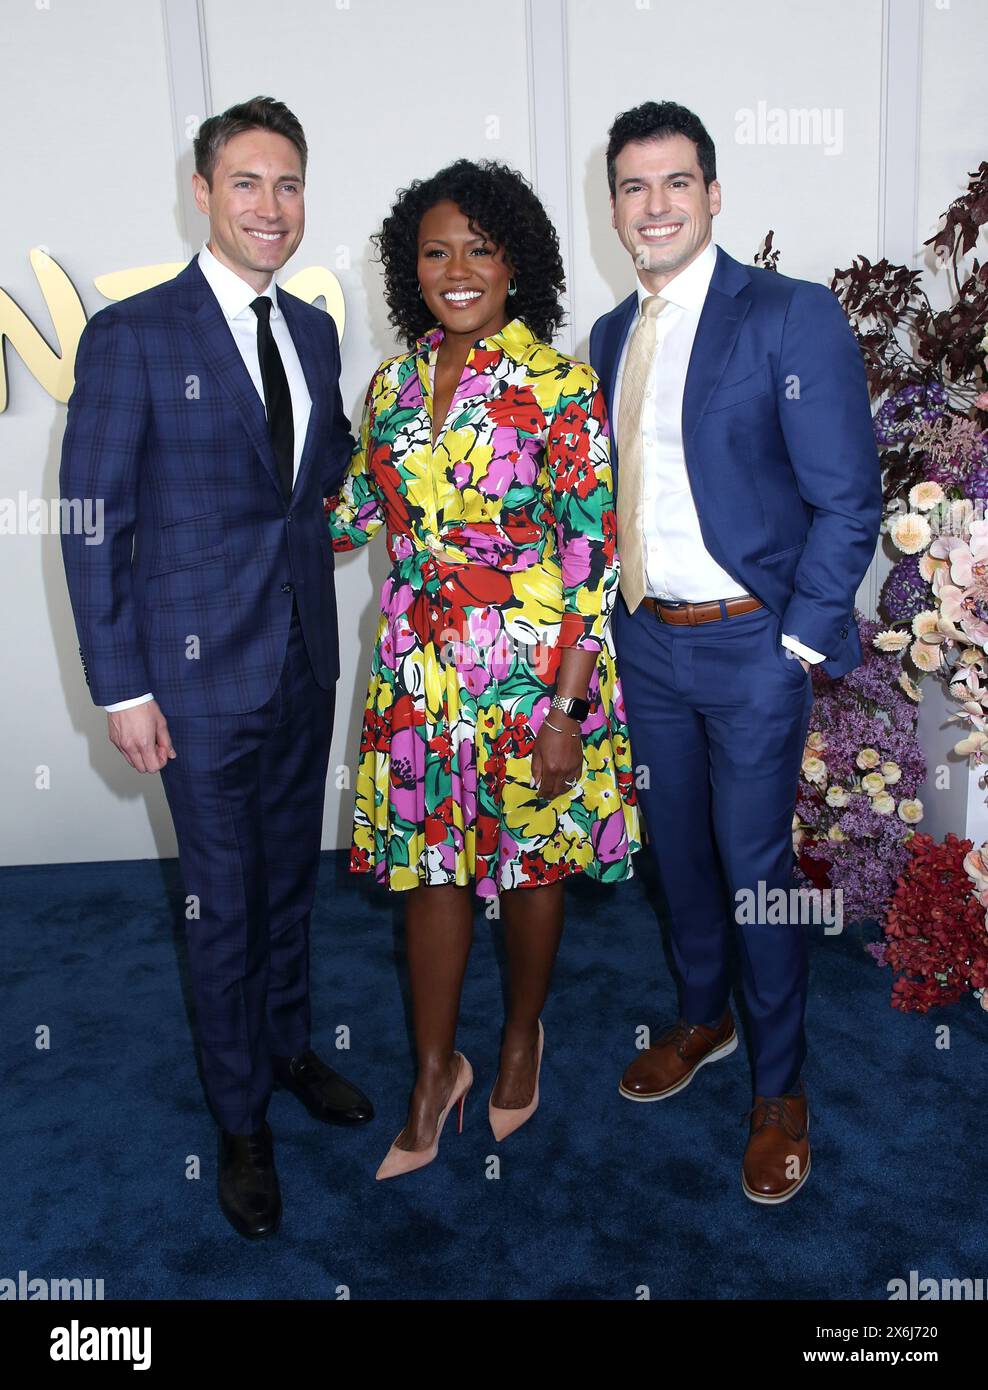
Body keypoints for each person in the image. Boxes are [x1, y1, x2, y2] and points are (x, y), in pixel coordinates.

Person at [59, 96, 373, 1240]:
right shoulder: (136, 334)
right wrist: (120, 685)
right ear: (203, 191)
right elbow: (90, 519)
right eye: (247, 183)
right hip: (188, 683)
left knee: (290, 884)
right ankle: (241, 1121)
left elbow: (322, 459)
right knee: (221, 906)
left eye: (288, 184)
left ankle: (287, 1049)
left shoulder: (316, 330)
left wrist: (355, 492)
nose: (270, 207)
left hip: (300, 657)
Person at [589, 102, 881, 1203]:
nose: (653, 205)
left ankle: (779, 1088)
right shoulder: (612, 336)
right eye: (632, 186)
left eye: (674, 183)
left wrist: (798, 639)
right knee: (678, 854)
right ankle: (702, 1019)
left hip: (754, 645)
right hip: (647, 644)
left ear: (713, 195)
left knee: (755, 868)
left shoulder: (789, 316)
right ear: (612, 204)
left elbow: (849, 499)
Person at [328, 159, 640, 1179]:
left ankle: (518, 1037)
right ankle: (433, 1068)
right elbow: (348, 516)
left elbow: (593, 559)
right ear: (406, 265)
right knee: (432, 869)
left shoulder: (558, 386)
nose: (456, 268)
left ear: (518, 264)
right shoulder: (391, 386)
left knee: (533, 863)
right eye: (434, 249)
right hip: (419, 674)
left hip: (529, 674)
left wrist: (566, 707)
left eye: (479, 248)